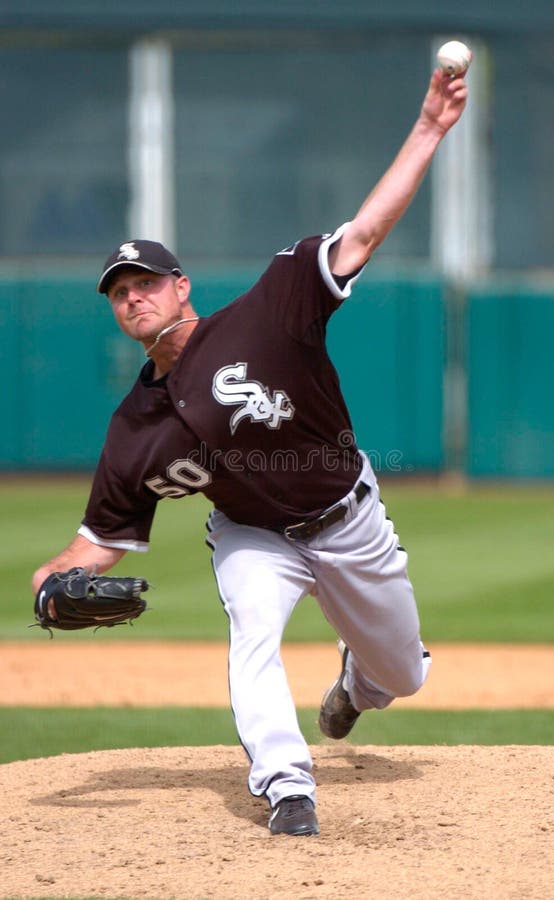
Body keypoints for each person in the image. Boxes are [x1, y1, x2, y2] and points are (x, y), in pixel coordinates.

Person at [32, 67, 467, 836]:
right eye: (119, 292)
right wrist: (47, 588)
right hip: (252, 537)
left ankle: (359, 683)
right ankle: (287, 785)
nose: (134, 297)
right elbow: (94, 543)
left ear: (181, 284)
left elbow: (363, 233)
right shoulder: (134, 428)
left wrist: (430, 129)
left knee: (402, 672)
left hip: (348, 518)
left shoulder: (270, 306)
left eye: (146, 282)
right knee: (251, 628)